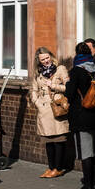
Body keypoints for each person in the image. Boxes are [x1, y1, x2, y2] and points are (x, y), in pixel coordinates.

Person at [66, 41, 95, 189]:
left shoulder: (76, 71)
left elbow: (69, 94)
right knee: (94, 149)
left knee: (85, 152)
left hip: (81, 116)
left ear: (77, 54)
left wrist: (67, 85)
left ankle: (88, 185)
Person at [30, 46, 72, 178]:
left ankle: (58, 168)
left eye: (47, 58)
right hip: (44, 110)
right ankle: (51, 167)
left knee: (58, 139)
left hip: (56, 108)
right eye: (43, 59)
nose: (46, 61)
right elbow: (33, 90)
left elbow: (68, 87)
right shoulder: (37, 72)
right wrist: (37, 103)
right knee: (48, 140)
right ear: (39, 60)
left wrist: (53, 85)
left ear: (51, 56)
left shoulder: (60, 69)